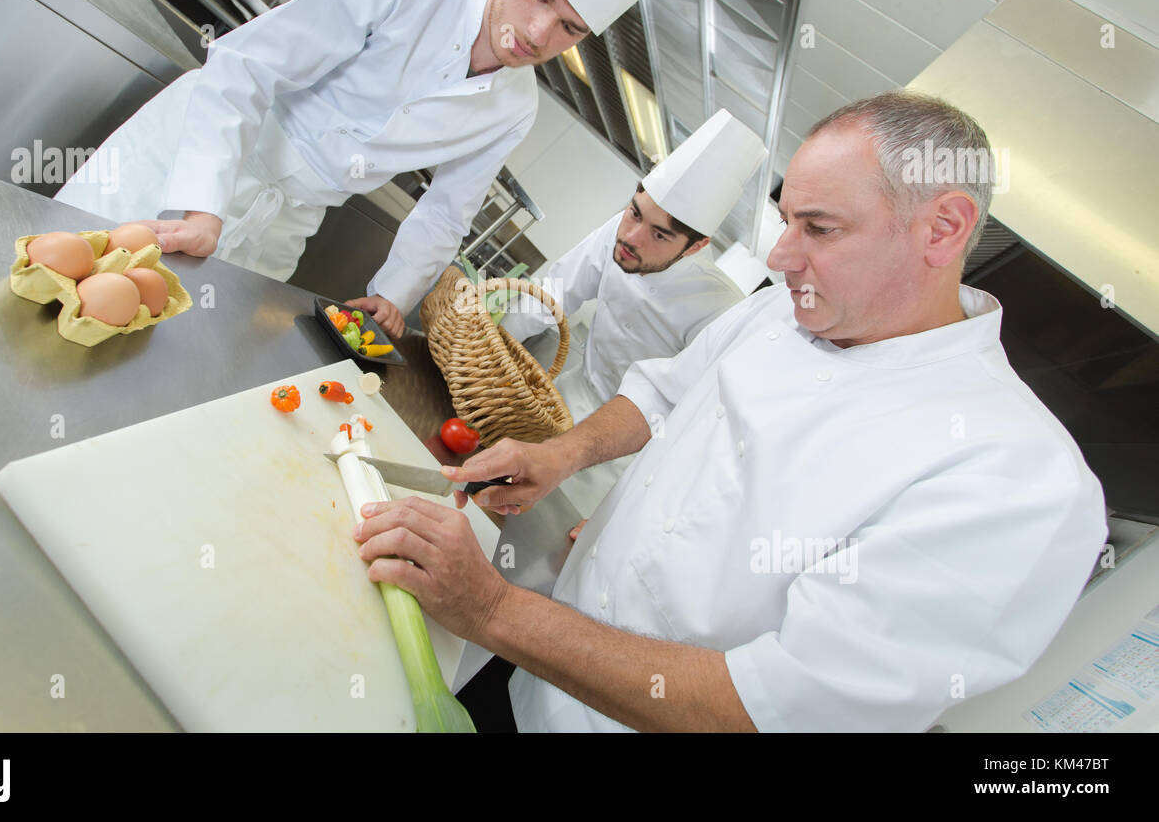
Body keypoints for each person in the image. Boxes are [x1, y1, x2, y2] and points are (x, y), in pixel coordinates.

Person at [351, 90, 1109, 731]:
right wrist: (563, 454)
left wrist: (489, 610)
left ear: (941, 229)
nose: (779, 257)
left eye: (819, 228)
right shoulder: (787, 310)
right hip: (531, 673)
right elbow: (665, 390)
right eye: (788, 220)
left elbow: (768, 708)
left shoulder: (1017, 479)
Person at [55, 0, 704, 338]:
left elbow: (446, 213)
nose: (538, 34)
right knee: (62, 290)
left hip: (286, 224)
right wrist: (201, 203)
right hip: (195, 165)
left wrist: (394, 294)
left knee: (169, 351)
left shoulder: (515, 108)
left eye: (568, 29)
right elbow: (247, 64)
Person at [499, 109, 766, 516]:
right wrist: (492, 348)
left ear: (695, 246)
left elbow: (698, 429)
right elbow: (552, 293)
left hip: (621, 470)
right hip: (559, 403)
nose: (631, 237)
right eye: (635, 211)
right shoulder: (621, 232)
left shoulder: (720, 309)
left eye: (660, 234)